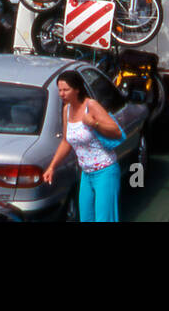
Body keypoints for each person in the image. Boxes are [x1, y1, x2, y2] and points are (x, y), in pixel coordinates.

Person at [41, 70, 123, 222]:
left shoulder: (91, 105)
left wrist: (94, 124)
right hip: (86, 173)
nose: (61, 94)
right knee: (86, 218)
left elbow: (116, 131)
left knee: (105, 219)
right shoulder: (66, 110)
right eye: (59, 90)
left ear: (77, 89)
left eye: (66, 90)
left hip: (105, 171)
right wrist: (52, 166)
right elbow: (66, 141)